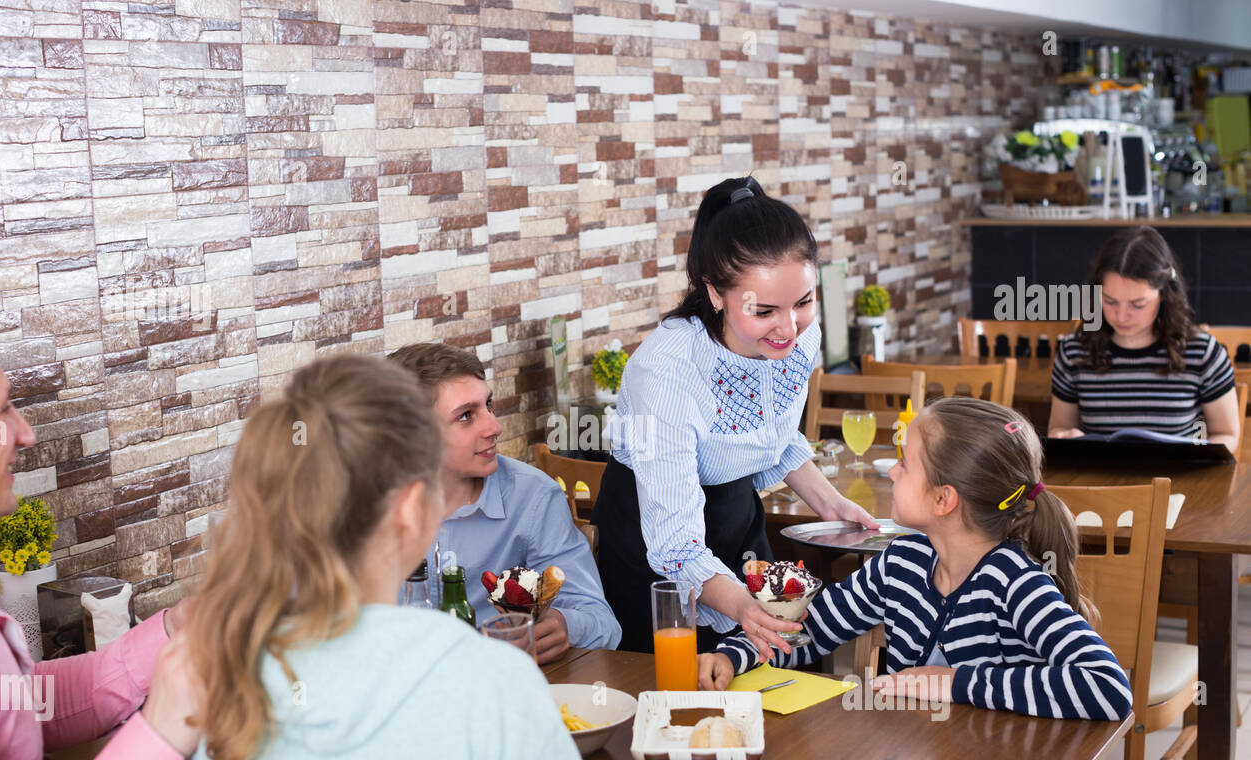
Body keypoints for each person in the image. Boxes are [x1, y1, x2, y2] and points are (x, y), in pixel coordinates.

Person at [184, 354, 623, 760]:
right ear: (417, 507)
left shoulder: (224, 691)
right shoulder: (495, 687)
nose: (491, 426)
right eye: (465, 415)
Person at [699, 397, 1133, 722]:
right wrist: (732, 656)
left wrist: (955, 683)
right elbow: (805, 631)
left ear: (943, 499)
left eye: (904, 464)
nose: (891, 471)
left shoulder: (1014, 582)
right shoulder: (901, 562)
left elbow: (1109, 688)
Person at [0, 312, 199, 760]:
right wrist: (161, 734)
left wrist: (169, 634)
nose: (25, 433)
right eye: (0, 411)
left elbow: (18, 703)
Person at [591, 175, 876, 655]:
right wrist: (743, 609)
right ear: (716, 293)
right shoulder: (666, 371)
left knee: (772, 687)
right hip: (655, 549)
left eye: (804, 302)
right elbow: (676, 546)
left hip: (737, 524)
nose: (789, 328)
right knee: (680, 706)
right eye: (764, 310)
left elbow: (774, 436)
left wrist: (831, 506)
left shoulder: (801, 335)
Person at [389, 342, 619, 661]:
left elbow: (603, 624)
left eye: (489, 405)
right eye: (466, 416)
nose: (494, 427)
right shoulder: (358, 506)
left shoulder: (533, 497)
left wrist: (566, 624)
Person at [1049, 225, 1240, 454]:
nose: (1120, 316)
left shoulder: (1202, 353)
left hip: (1177, 483)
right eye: (1109, 301)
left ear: (1164, 295)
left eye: (1138, 304)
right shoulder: (1074, 352)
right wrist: (1064, 436)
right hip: (1100, 484)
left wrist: (1199, 455)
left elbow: (1227, 433)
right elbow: (1060, 427)